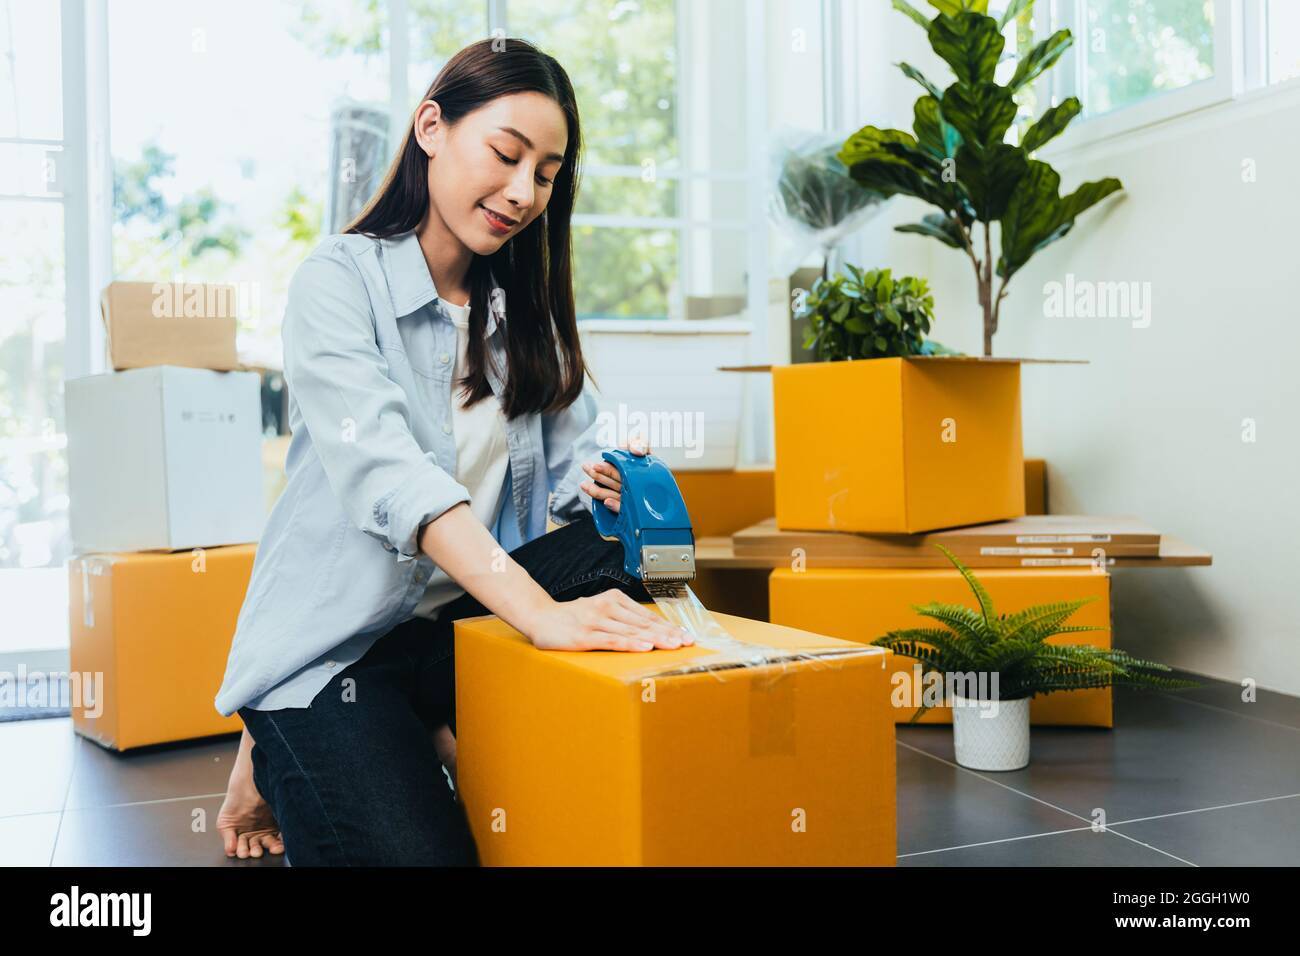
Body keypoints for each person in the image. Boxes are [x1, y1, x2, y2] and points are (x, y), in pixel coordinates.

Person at [213, 37, 691, 866]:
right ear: (432, 127)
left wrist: (619, 475)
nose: (521, 192)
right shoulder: (337, 281)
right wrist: (539, 616)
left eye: (544, 175)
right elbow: (393, 476)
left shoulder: (521, 314)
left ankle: (426, 721)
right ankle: (284, 730)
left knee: (628, 553)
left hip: (456, 633)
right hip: (340, 652)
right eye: (506, 155)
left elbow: (585, 453)